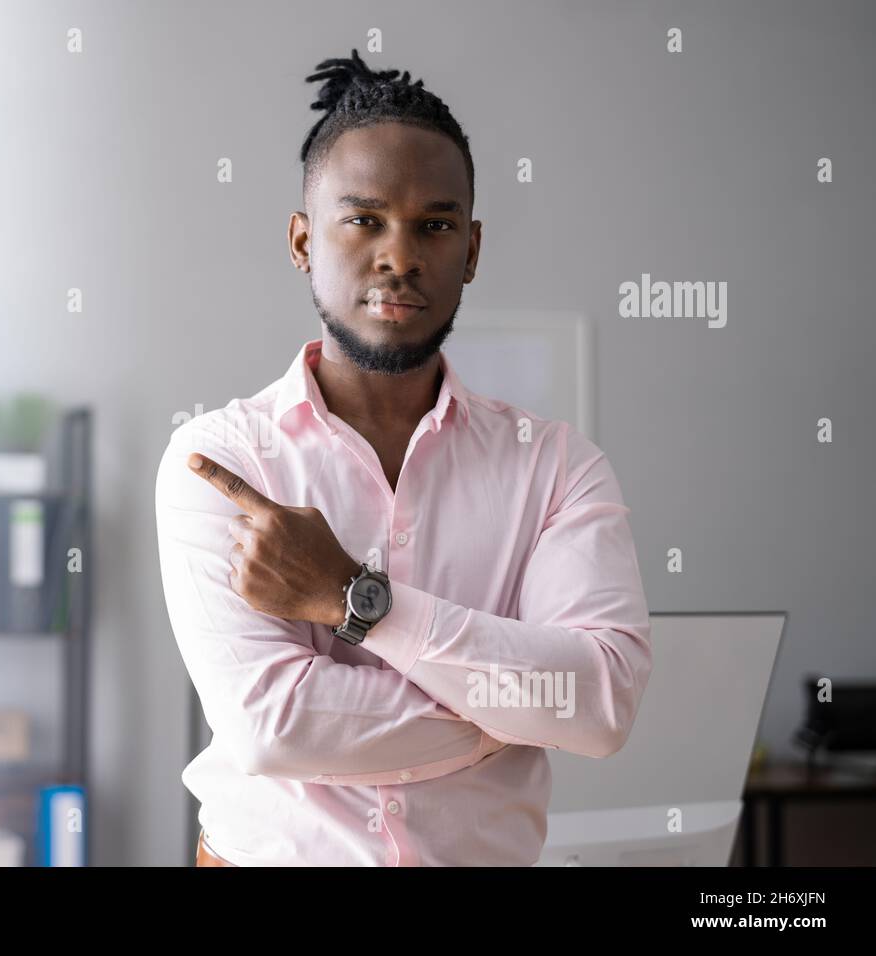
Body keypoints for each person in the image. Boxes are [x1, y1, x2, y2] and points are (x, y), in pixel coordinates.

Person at [155, 49, 651, 866]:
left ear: (474, 248)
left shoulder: (558, 467)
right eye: (364, 219)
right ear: (302, 240)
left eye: (435, 224)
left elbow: (599, 701)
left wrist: (357, 601)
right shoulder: (219, 461)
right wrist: (505, 711)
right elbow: (273, 726)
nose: (400, 255)